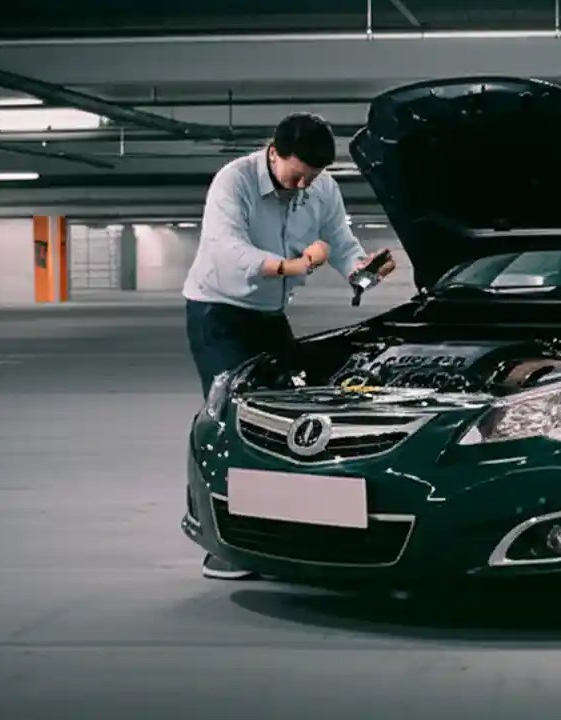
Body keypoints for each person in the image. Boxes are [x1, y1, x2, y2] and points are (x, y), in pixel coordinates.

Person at [181, 112, 396, 580]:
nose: (303, 186)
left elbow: (339, 240)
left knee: (290, 412)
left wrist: (362, 270)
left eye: (313, 178)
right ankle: (225, 545)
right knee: (233, 416)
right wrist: (290, 267)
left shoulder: (320, 189)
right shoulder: (233, 181)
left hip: (269, 316)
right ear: (273, 153)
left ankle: (291, 523)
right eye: (297, 174)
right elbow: (226, 250)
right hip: (217, 310)